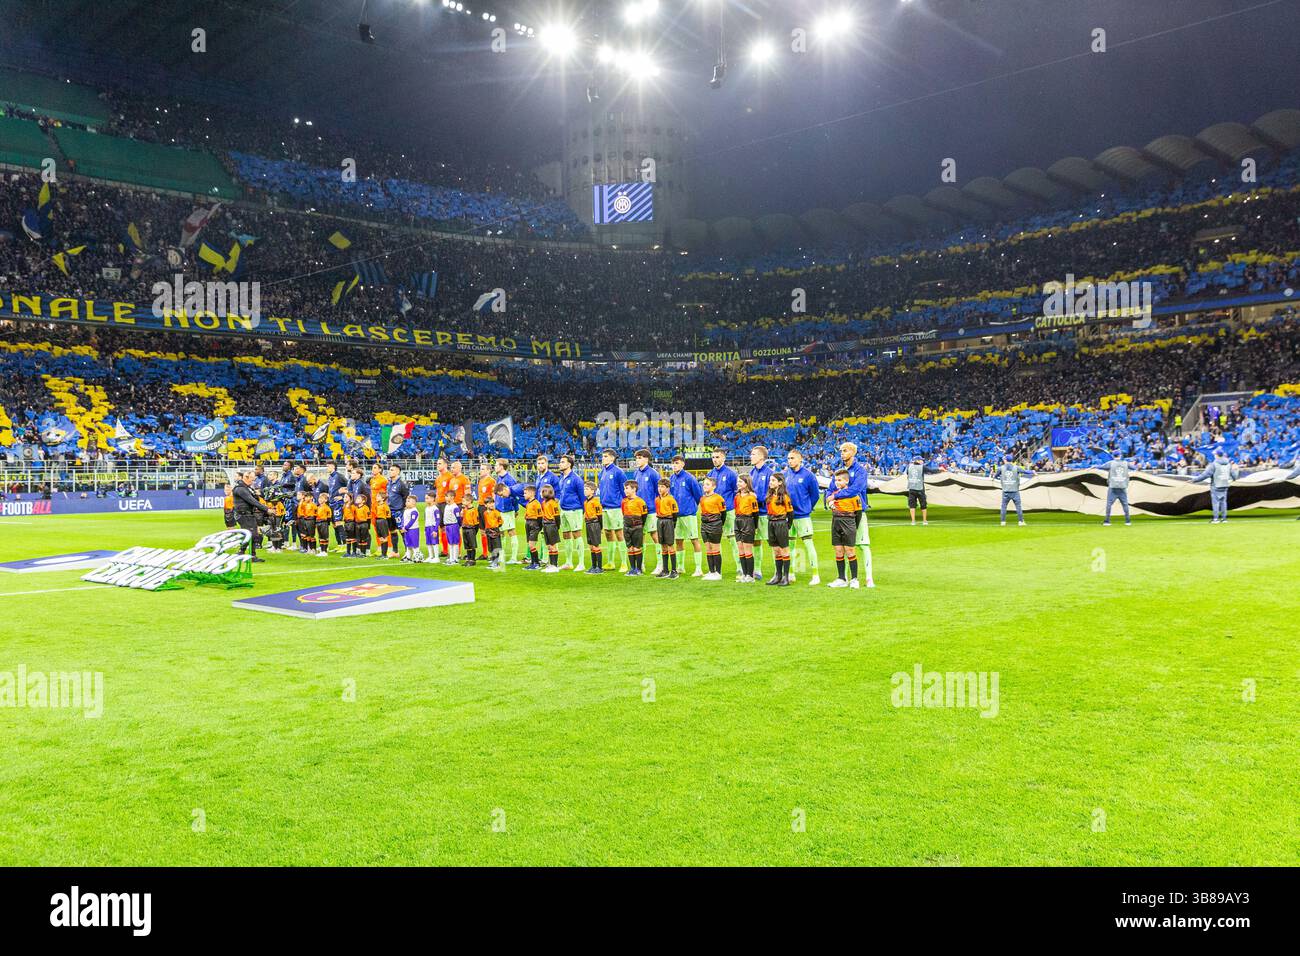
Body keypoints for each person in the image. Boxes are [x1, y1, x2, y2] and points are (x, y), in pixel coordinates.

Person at [834, 441, 873, 588]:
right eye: (841, 451)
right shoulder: (839, 471)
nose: (842, 453)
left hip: (857, 512)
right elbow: (831, 489)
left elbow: (856, 490)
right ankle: (842, 578)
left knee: (863, 545)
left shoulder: (860, 471)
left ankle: (869, 577)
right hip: (841, 514)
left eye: (845, 450)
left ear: (853, 452)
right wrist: (829, 498)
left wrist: (836, 496)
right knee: (842, 547)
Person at [783, 449, 821, 585]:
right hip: (788, 516)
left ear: (800, 459)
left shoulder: (808, 475)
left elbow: (815, 495)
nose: (789, 460)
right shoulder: (785, 474)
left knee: (808, 544)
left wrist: (807, 508)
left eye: (792, 458)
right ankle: (791, 573)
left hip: (802, 516)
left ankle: (816, 575)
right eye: (788, 458)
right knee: (790, 545)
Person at [826, 469, 864, 589]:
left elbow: (858, 513)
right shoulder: (834, 495)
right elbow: (829, 502)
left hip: (848, 522)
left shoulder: (853, 495)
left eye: (839, 480)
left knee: (850, 551)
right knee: (838, 551)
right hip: (835, 522)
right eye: (836, 480)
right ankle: (841, 578)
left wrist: (854, 527)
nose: (837, 482)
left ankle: (854, 579)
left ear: (846, 481)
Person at [668, 455, 704, 576]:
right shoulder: (671, 478)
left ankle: (698, 568)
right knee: (678, 541)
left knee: (694, 540)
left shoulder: (690, 478)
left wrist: (693, 508)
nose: (674, 465)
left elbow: (698, 495)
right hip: (676, 515)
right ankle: (680, 567)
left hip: (689, 514)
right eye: (673, 463)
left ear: (683, 464)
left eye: (677, 463)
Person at [706, 448, 739, 570]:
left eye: (717, 457)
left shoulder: (731, 474)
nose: (715, 460)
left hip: (729, 511)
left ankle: (740, 567)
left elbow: (736, 492)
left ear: (723, 458)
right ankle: (715, 568)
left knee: (733, 540)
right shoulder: (710, 474)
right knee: (714, 541)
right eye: (713, 457)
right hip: (714, 513)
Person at [748, 446, 776, 580]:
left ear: (761, 457)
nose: (750, 457)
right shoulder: (751, 473)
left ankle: (778, 570)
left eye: (753, 454)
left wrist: (757, 497)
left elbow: (772, 494)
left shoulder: (770, 473)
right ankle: (757, 570)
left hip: (766, 513)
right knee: (755, 541)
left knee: (772, 542)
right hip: (754, 513)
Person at [597, 449, 628, 572]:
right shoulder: (602, 472)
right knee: (608, 534)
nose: (603, 458)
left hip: (616, 508)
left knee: (619, 534)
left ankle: (624, 563)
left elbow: (624, 491)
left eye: (605, 456)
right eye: (603, 456)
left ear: (612, 458)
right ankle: (610, 562)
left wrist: (624, 505)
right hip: (605, 507)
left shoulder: (618, 472)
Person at [632, 449, 662, 571]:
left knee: (655, 536)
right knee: (640, 537)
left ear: (646, 459)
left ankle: (660, 564)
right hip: (638, 511)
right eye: (636, 458)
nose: (637, 460)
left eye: (639, 458)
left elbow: (659, 492)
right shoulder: (636, 473)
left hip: (651, 510)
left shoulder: (653, 473)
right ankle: (641, 564)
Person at [556, 454, 586, 571]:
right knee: (566, 535)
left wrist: (583, 511)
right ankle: (569, 562)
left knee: (576, 534)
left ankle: (581, 563)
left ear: (569, 464)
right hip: (563, 510)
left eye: (562, 462)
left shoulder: (576, 479)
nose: (560, 464)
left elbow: (582, 496)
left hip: (574, 510)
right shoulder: (562, 478)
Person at [232, 470, 269, 563]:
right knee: (251, 534)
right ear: (246, 477)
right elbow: (252, 501)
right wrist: (266, 509)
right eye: (251, 480)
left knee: (252, 534)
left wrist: (258, 494)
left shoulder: (247, 488)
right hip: (243, 514)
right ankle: (245, 554)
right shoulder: (240, 489)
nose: (252, 482)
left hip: (248, 514)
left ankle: (245, 554)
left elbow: (255, 499)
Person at [1192, 450, 1239, 523]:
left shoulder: (1213, 464)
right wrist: (1236, 471)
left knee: (1216, 503)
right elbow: (1234, 476)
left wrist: (1194, 480)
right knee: (1223, 502)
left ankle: (1215, 519)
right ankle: (1224, 519)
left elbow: (1205, 475)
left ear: (1217, 455)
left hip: (1216, 485)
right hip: (1225, 485)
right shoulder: (1228, 464)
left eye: (1215, 454)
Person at [493, 458, 524, 564]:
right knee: (500, 533)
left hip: (507, 509)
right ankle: (501, 557)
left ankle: (514, 558)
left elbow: (514, 495)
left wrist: (516, 509)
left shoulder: (510, 479)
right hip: (499, 509)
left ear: (501, 466)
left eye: (496, 465)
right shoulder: (498, 478)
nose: (495, 467)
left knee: (511, 532)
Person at [765, 474, 793, 586]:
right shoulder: (770, 496)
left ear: (780, 482)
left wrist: (788, 526)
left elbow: (790, 513)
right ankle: (778, 576)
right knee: (776, 550)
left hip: (781, 523)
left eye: (773, 480)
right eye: (770, 480)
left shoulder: (785, 497)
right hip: (770, 522)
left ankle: (786, 577)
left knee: (784, 550)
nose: (770, 482)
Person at [698, 475, 726, 581]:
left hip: (715, 525)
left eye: (707, 484)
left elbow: (723, 514)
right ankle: (711, 571)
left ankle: (718, 573)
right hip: (704, 525)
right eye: (704, 484)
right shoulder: (702, 498)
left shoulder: (718, 498)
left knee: (715, 549)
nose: (704, 486)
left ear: (714, 486)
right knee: (708, 549)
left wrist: (718, 524)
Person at [733, 475, 759, 583]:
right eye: (738, 482)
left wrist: (755, 527)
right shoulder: (737, 496)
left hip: (748, 521)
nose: (738, 483)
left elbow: (756, 513)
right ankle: (744, 574)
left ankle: (750, 575)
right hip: (737, 521)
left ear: (747, 484)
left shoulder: (751, 497)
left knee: (748, 550)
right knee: (740, 549)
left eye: (740, 482)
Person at [997, 455, 1035, 526]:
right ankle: (1020, 521)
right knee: (1018, 507)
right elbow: (1025, 472)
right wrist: (1032, 471)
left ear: (1005, 460)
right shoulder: (1016, 468)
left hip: (1005, 491)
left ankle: (1003, 522)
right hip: (1015, 491)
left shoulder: (1001, 468)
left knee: (1003, 507)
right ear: (1012, 460)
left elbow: (996, 476)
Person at [653, 477, 679, 579]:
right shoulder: (657, 499)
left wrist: (673, 524)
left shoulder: (671, 499)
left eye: (662, 487)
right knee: (663, 545)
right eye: (659, 487)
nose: (660, 489)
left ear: (667, 488)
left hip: (668, 521)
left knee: (670, 544)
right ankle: (665, 570)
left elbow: (675, 513)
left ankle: (674, 570)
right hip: (660, 521)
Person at [622, 479, 648, 577]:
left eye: (627, 488)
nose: (625, 490)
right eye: (625, 488)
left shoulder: (640, 502)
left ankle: (639, 569)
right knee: (630, 547)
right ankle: (632, 568)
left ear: (634, 489)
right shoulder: (624, 501)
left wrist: (639, 525)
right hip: (626, 527)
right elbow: (623, 513)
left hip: (637, 527)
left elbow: (644, 515)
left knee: (637, 548)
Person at [1102, 449, 1134, 526]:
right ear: (1120, 455)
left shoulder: (1110, 463)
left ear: (1113, 455)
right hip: (1122, 486)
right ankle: (1128, 521)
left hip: (1113, 487)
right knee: (1125, 504)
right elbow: (1134, 468)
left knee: (1109, 504)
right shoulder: (1126, 463)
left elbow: (1101, 467)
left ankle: (1107, 521)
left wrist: (1094, 466)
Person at [904, 455, 938, 526]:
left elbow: (907, 474)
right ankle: (924, 521)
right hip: (920, 488)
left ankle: (913, 521)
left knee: (912, 506)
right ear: (917, 460)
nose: (922, 461)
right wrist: (940, 469)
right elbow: (931, 471)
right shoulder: (922, 467)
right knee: (923, 505)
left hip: (911, 488)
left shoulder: (909, 467)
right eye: (921, 460)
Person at [386, 464, 410, 557]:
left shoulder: (401, 483)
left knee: (402, 531)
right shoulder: (389, 483)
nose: (390, 471)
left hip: (398, 511)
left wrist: (403, 507)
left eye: (392, 470)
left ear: (397, 471)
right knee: (392, 531)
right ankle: (395, 552)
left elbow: (406, 496)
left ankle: (408, 551)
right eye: (390, 470)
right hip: (390, 510)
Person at [582, 480, 604, 574]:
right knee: (591, 546)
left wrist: (600, 527)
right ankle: (593, 566)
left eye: (587, 489)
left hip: (594, 524)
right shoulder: (585, 502)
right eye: (584, 489)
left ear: (593, 491)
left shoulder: (595, 502)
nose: (585, 491)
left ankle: (599, 567)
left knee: (596, 546)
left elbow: (600, 516)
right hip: (588, 524)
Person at [539, 483, 561, 572]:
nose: (540, 493)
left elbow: (557, 516)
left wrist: (557, 527)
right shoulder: (543, 503)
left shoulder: (553, 503)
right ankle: (551, 564)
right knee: (549, 546)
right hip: (545, 525)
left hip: (551, 525)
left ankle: (554, 565)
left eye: (542, 491)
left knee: (553, 545)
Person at [522, 484, 544, 570]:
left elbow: (540, 516)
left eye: (525, 493)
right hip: (528, 523)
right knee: (529, 545)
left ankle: (536, 563)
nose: (524, 495)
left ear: (531, 493)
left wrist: (538, 527)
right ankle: (532, 563)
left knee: (532, 545)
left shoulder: (536, 504)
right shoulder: (528, 504)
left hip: (534, 524)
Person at [482, 497, 505, 571]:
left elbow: (500, 521)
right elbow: (485, 522)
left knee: (496, 547)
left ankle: (496, 563)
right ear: (485, 505)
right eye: (489, 503)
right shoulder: (485, 513)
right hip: (488, 531)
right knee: (491, 547)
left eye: (492, 503)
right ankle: (493, 561)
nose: (491, 504)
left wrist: (497, 528)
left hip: (495, 531)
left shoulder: (496, 512)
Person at [441, 493, 463, 563]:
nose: (446, 498)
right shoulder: (447, 506)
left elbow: (458, 518)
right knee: (450, 542)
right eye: (445, 496)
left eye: (447, 496)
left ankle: (455, 558)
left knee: (455, 542)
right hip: (447, 526)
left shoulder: (455, 507)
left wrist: (458, 526)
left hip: (453, 525)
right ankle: (451, 557)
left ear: (452, 497)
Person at [400, 495, 422, 562]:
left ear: (414, 503)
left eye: (408, 501)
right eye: (406, 501)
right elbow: (403, 519)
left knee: (414, 544)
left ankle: (417, 556)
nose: (406, 502)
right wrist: (402, 526)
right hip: (406, 530)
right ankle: (408, 557)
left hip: (413, 530)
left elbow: (412, 521)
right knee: (408, 544)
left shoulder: (414, 511)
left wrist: (406, 527)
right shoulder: (406, 510)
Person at [372, 491, 394, 559]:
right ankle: (382, 554)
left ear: (383, 498)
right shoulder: (377, 505)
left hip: (383, 521)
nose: (376, 497)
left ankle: (384, 555)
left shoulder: (385, 506)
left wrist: (388, 525)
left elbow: (388, 516)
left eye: (378, 496)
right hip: (378, 521)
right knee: (381, 538)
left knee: (384, 538)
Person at [461, 496, 480, 566]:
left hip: (471, 529)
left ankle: (472, 560)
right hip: (464, 528)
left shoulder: (474, 510)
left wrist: (474, 531)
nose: (463, 503)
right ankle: (468, 559)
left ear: (469, 501)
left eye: (464, 501)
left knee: (472, 545)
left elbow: (476, 523)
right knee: (467, 545)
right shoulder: (465, 510)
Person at [423, 490, 440, 561]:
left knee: (434, 542)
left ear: (433, 499)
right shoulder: (426, 509)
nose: (426, 500)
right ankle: (431, 556)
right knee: (428, 542)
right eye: (425, 498)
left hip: (433, 527)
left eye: (427, 498)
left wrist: (435, 530)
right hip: (427, 527)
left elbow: (438, 520)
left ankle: (436, 557)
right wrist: (425, 529)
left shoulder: (435, 509)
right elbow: (425, 519)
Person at [314, 491, 332, 556]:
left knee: (324, 536)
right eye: (319, 498)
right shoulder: (318, 507)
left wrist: (327, 522)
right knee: (320, 536)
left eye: (322, 498)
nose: (320, 500)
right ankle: (322, 550)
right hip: (318, 522)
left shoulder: (326, 507)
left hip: (323, 522)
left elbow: (329, 516)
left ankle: (324, 551)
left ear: (326, 500)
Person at [342, 492, 358, 557]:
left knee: (353, 538)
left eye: (346, 497)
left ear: (350, 498)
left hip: (351, 523)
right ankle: (348, 552)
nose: (344, 498)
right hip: (346, 523)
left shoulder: (353, 506)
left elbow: (356, 515)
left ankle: (354, 552)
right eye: (344, 497)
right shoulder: (344, 506)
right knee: (347, 538)